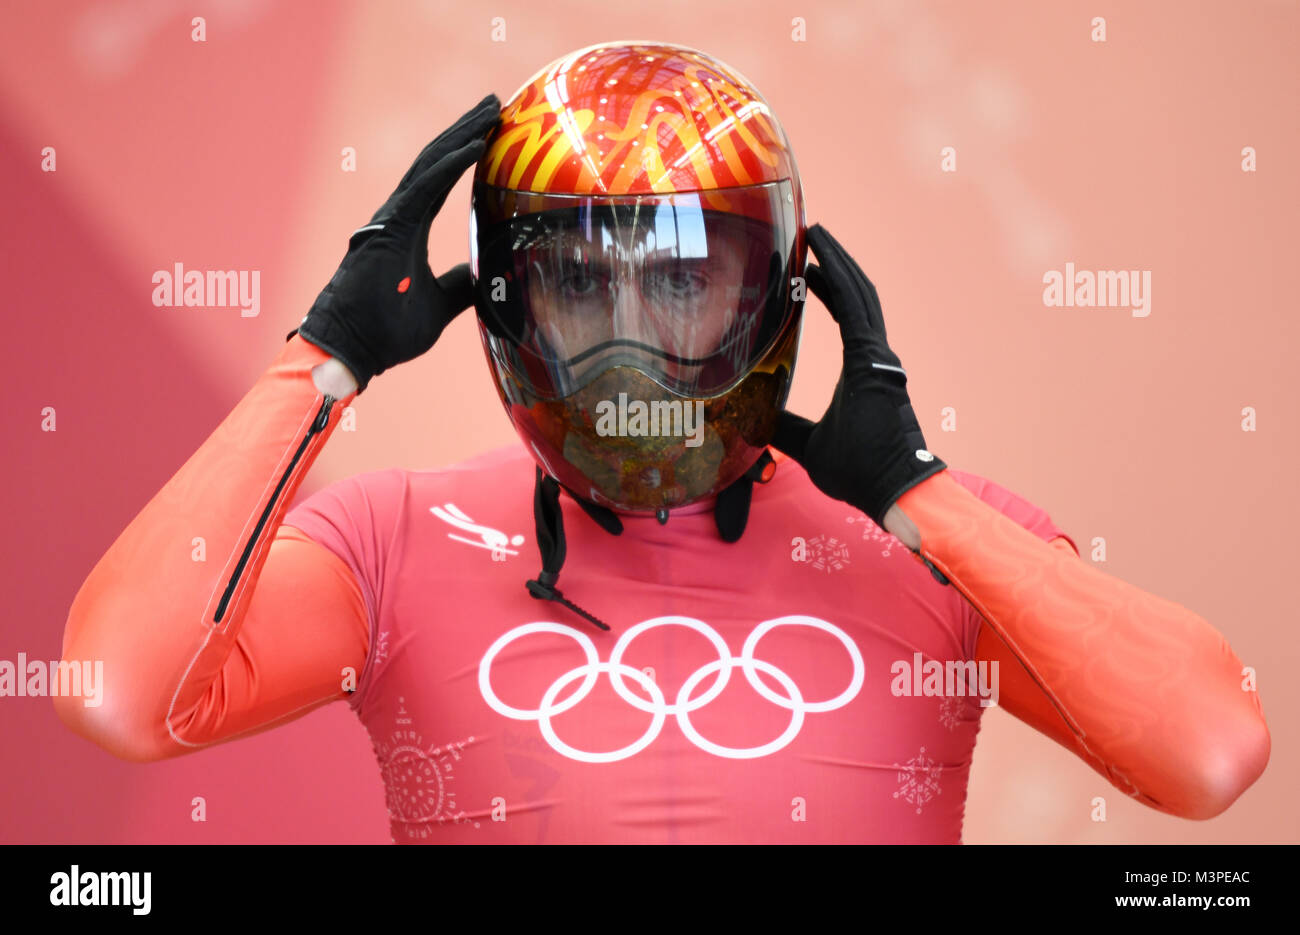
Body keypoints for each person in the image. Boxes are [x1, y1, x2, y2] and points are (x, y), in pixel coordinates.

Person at [56, 42, 1270, 844]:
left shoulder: (935, 545)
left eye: (684, 279)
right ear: (505, 304)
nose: (631, 345)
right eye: (580, 282)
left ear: (778, 295)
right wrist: (319, 361)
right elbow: (120, 691)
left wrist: (916, 495)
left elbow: (1208, 754)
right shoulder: (393, 536)